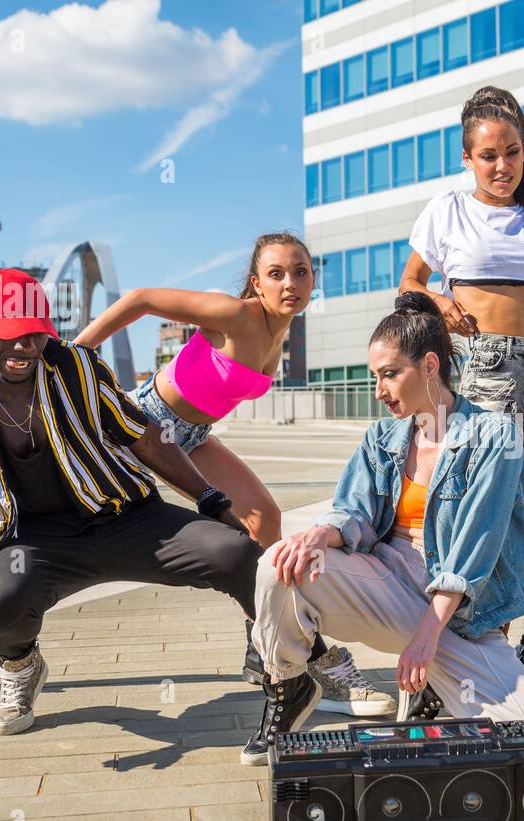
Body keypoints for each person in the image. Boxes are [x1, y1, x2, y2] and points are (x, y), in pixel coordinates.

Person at [0, 268, 262, 736]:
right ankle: (21, 669)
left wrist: (212, 500)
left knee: (239, 553)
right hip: (34, 540)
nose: (25, 347)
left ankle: (304, 664)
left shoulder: (76, 366)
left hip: (128, 518)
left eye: (36, 334)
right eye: (12, 333)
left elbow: (147, 438)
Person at [71, 234, 393, 718]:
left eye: (301, 272)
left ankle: (265, 646)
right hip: (144, 428)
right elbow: (140, 299)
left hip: (193, 435)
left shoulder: (281, 332)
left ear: (313, 279)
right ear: (256, 283)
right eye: (276, 274)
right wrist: (74, 355)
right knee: (61, 533)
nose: (290, 283)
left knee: (264, 519)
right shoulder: (236, 314)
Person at [240, 292, 524, 765]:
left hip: (454, 617)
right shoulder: (382, 437)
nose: (379, 390)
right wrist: (319, 535)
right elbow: (355, 513)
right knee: (277, 564)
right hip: (384, 588)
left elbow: (473, 552)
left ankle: (431, 688)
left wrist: (426, 641)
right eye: (374, 376)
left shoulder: (494, 436)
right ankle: (289, 684)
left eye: (390, 374)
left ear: (429, 366)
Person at [399, 86, 524, 709]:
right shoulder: (447, 211)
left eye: (513, 152)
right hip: (483, 373)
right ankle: (468, 657)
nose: (502, 165)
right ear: (468, 158)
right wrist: (440, 301)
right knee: (483, 526)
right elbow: (409, 283)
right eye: (488, 155)